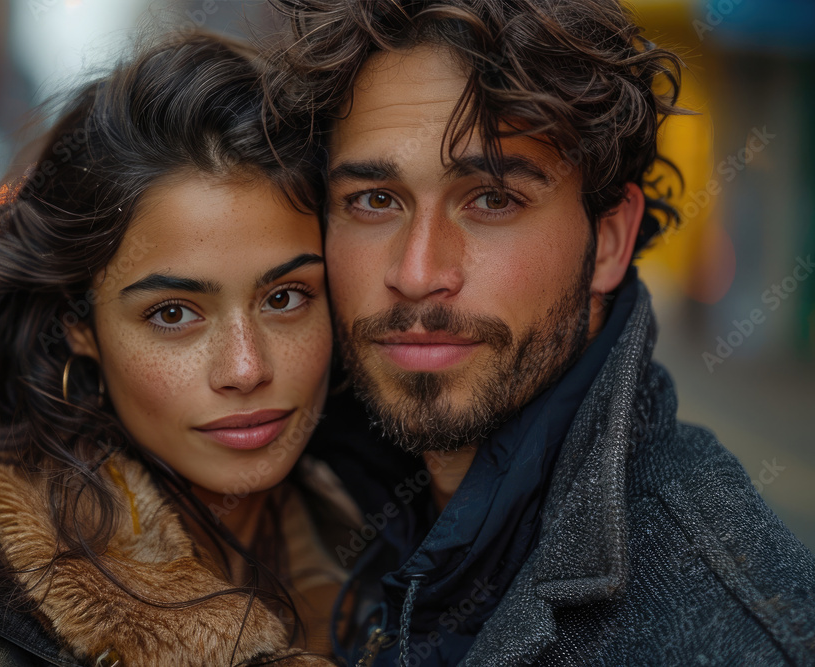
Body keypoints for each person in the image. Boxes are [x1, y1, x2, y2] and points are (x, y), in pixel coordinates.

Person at [268, 0, 815, 664]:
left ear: (608, 240)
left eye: (493, 199)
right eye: (375, 200)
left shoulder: (734, 637)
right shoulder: (292, 493)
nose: (416, 274)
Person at [0, 32, 354, 667]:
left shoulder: (394, 534)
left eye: (285, 298)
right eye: (173, 313)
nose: (246, 368)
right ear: (79, 325)